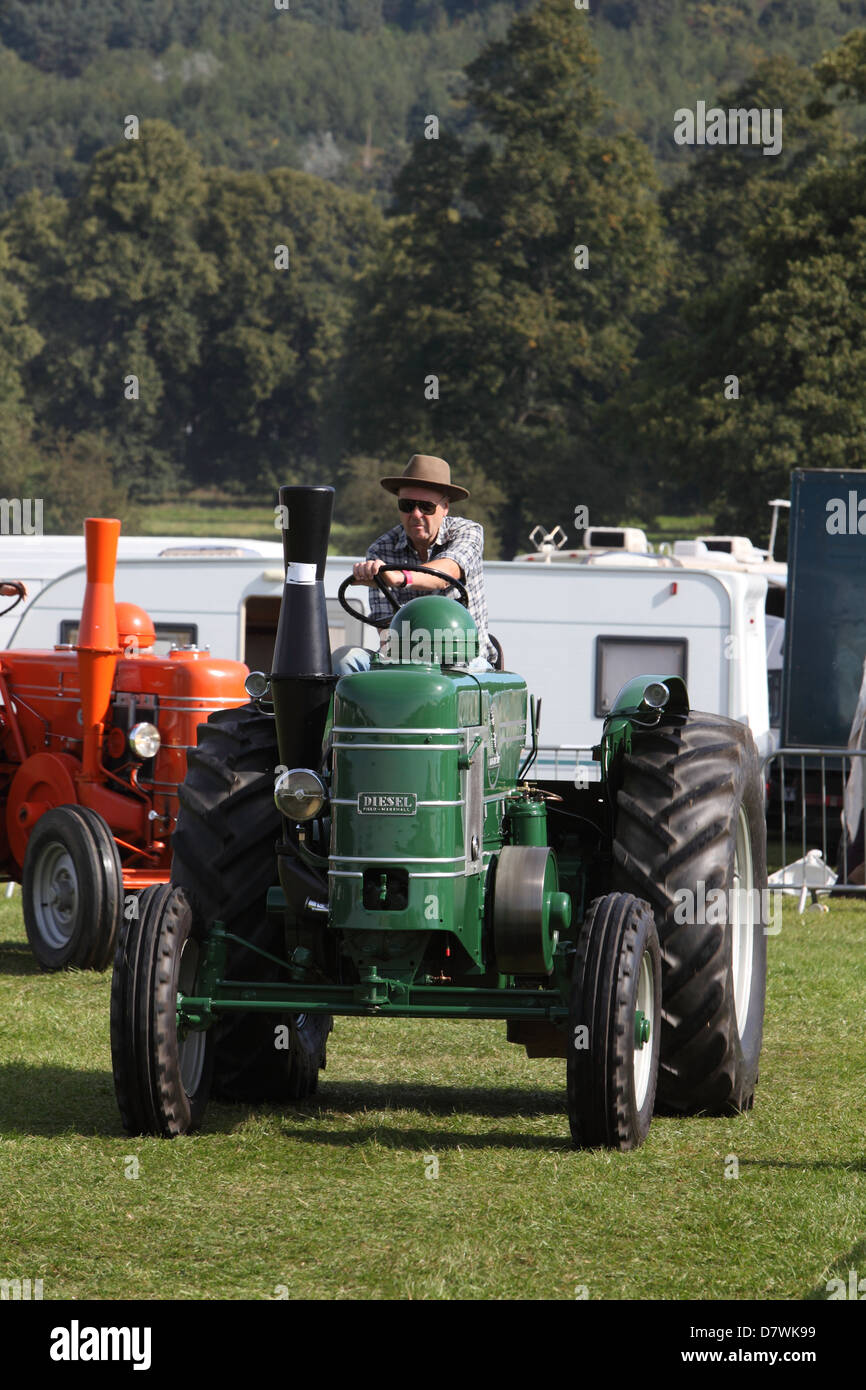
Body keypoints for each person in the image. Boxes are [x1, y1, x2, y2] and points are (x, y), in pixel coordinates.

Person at [333, 454, 496, 673]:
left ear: (445, 507)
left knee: (461, 673)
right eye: (407, 505)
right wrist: (372, 578)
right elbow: (386, 634)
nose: (416, 514)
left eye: (426, 507)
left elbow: (446, 571)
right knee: (345, 659)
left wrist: (399, 578)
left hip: (464, 659)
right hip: (405, 664)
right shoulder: (380, 550)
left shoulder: (467, 533)